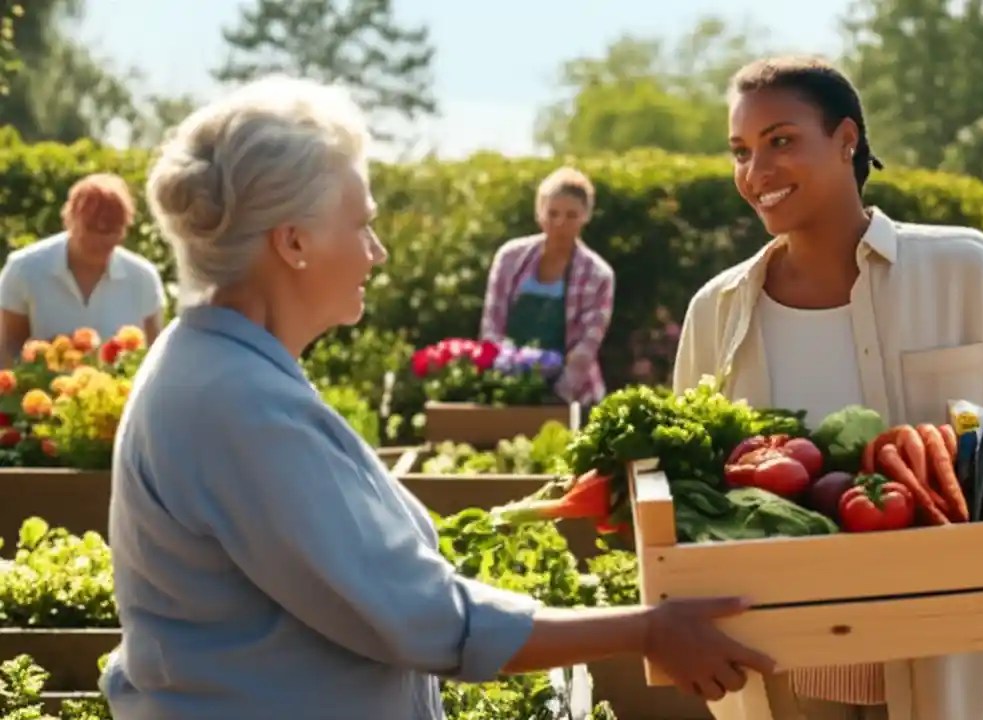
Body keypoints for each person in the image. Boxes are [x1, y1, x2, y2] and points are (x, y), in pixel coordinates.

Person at [102, 76, 772, 720]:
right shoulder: (236, 403)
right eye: (362, 224)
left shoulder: (217, 369)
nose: (378, 251)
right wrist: (649, 629)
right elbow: (428, 619)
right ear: (295, 242)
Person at [672, 56, 983, 720]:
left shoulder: (968, 270)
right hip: (781, 654)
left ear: (847, 140)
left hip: (945, 640)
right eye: (741, 151)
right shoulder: (717, 311)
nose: (756, 174)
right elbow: (686, 484)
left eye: (781, 140)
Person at [480, 167, 615, 408]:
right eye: (552, 213)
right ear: (539, 214)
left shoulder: (598, 275)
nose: (560, 223)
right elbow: (492, 325)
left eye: (571, 215)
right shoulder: (510, 258)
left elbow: (587, 345)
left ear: (586, 216)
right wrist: (506, 381)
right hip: (508, 389)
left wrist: (554, 398)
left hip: (572, 397)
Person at [0, 173, 166, 365]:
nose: (99, 239)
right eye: (90, 227)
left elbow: (156, 357)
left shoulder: (142, 278)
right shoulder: (25, 269)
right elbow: (7, 346)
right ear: (70, 220)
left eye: (110, 230)